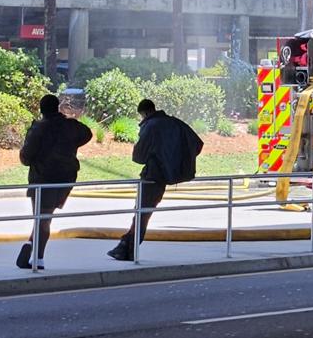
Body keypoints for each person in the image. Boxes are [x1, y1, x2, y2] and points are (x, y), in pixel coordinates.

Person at [108, 99, 204, 261]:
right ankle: (125, 246)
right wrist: (176, 161)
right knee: (144, 211)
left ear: (144, 113)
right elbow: (197, 144)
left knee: (141, 212)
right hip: (165, 175)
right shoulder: (176, 123)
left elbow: (139, 156)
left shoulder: (150, 126)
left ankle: (128, 247)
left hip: (153, 176)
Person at [17, 94, 93, 270]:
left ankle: (38, 258)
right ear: (58, 107)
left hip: (43, 177)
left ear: (41, 109)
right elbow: (87, 133)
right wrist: (71, 146)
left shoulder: (39, 128)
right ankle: (30, 247)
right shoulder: (70, 126)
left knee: (42, 218)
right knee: (45, 217)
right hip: (66, 178)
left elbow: (26, 157)